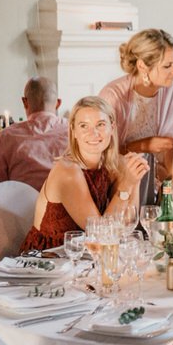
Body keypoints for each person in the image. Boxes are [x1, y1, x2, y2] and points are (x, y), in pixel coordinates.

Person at [20, 96, 147, 254]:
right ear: (73, 131)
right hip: (50, 257)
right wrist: (126, 184)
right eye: (84, 126)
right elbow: (100, 235)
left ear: (112, 127)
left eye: (100, 124)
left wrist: (135, 180)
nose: (93, 133)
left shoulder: (112, 164)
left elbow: (127, 223)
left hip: (87, 255)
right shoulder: (68, 172)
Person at [99, 28, 173, 191]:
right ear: (142, 66)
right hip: (121, 183)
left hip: (160, 180)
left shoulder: (172, 92)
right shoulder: (113, 97)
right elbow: (101, 155)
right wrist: (144, 145)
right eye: (167, 66)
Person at [0, 77, 68, 191]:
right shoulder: (75, 133)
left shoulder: (5, 137)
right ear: (58, 103)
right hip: (66, 201)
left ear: (25, 102)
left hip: (21, 202)